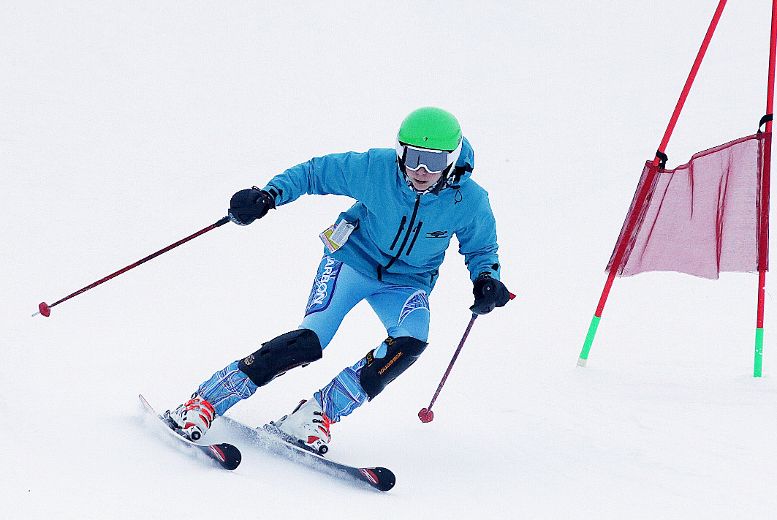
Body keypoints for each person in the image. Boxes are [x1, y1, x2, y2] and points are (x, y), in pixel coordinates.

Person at [166, 107, 511, 454]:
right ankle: (204, 402)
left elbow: (482, 246)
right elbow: (316, 173)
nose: (421, 170)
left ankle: (317, 415)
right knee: (310, 341)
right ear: (400, 151)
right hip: (352, 259)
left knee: (411, 340)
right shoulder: (376, 169)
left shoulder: (469, 201)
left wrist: (486, 279)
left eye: (434, 162)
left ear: (452, 160)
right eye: (413, 156)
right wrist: (269, 195)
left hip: (408, 281)